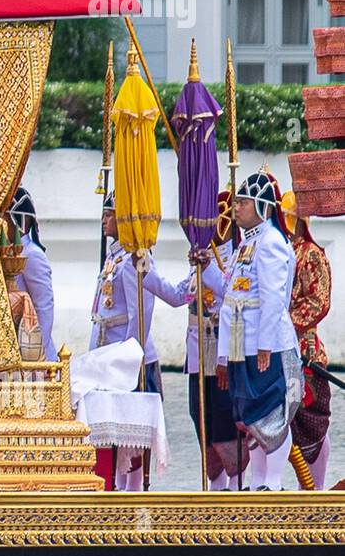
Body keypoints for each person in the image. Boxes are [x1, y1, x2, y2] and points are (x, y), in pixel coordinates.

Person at [142, 191, 243, 490]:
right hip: (199, 353)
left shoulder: (235, 259)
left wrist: (207, 266)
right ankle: (216, 487)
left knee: (226, 426)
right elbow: (179, 295)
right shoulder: (202, 259)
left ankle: (236, 489)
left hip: (223, 351)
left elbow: (234, 295)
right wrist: (146, 271)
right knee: (201, 419)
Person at [217, 170, 301, 492]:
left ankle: (273, 483)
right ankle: (258, 483)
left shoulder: (271, 244)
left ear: (261, 206)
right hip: (243, 344)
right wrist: (226, 355)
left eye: (242, 202)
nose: (235, 208)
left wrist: (265, 345)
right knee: (250, 417)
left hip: (270, 346)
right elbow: (230, 304)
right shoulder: (244, 246)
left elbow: (272, 301)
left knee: (271, 414)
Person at [280, 190, 332, 490]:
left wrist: (281, 322)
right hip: (277, 348)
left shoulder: (311, 254)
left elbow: (318, 302)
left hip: (304, 351)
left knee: (311, 426)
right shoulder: (281, 250)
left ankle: (315, 490)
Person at [89, 192, 159, 392]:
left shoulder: (133, 258)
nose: (103, 220)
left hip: (125, 354)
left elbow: (140, 310)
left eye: (109, 215)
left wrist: (130, 355)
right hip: (107, 350)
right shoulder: (114, 254)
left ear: (122, 219)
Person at [7, 186, 56, 361]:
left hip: (32, 348)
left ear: (19, 220)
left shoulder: (32, 255)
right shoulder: (8, 252)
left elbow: (44, 306)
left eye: (5, 218)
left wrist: (37, 351)